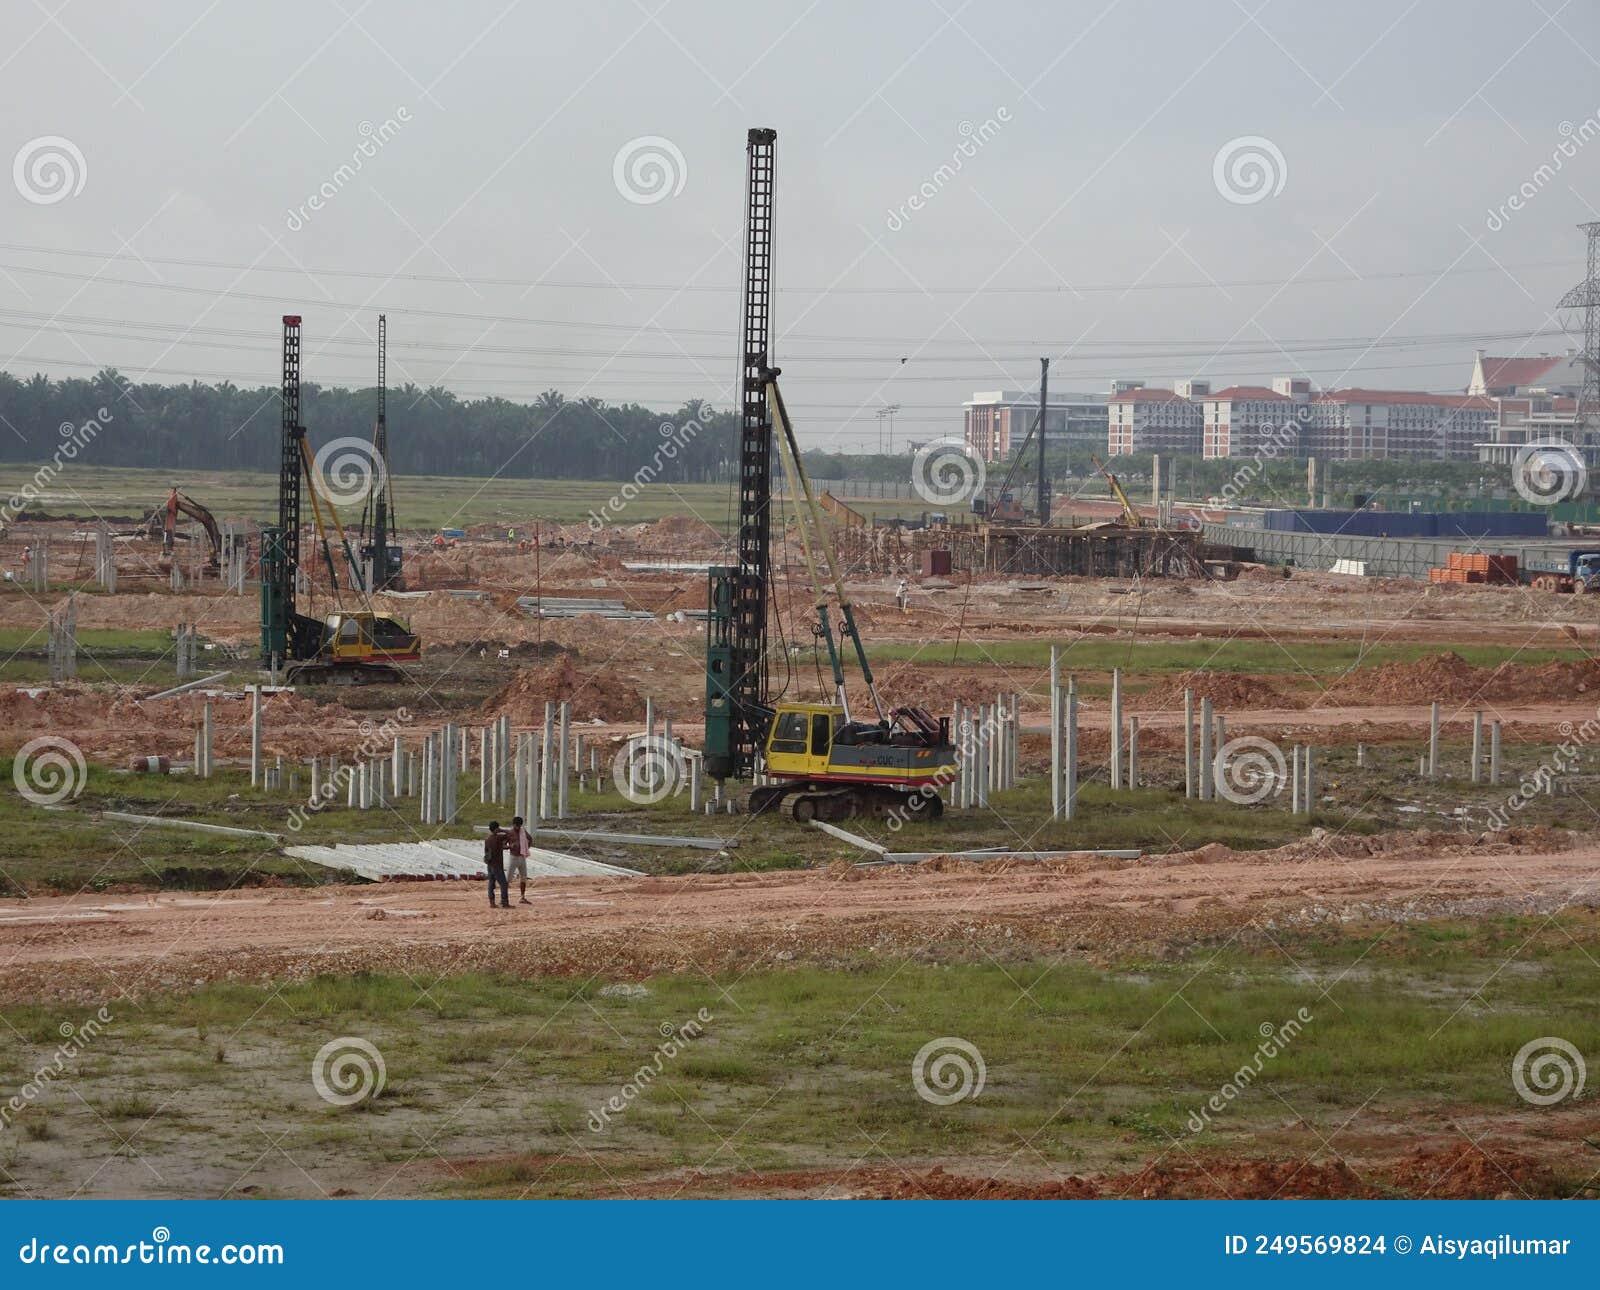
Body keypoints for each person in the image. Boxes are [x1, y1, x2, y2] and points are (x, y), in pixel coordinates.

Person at [483, 820, 510, 910]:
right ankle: (504, 902)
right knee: (503, 884)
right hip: (497, 865)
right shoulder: (498, 838)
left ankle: (492, 902)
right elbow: (509, 834)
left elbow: (487, 851)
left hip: (490, 865)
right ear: (496, 829)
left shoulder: (487, 840)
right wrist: (502, 830)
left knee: (491, 884)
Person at [507, 814, 533, 905]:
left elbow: (530, 839)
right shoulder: (509, 833)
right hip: (513, 857)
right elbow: (503, 845)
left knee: (523, 877)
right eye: (516, 825)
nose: (518, 827)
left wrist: (526, 848)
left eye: (519, 826)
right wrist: (510, 846)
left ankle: (522, 897)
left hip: (522, 856)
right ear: (513, 824)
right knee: (508, 878)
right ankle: (504, 898)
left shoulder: (523, 831)